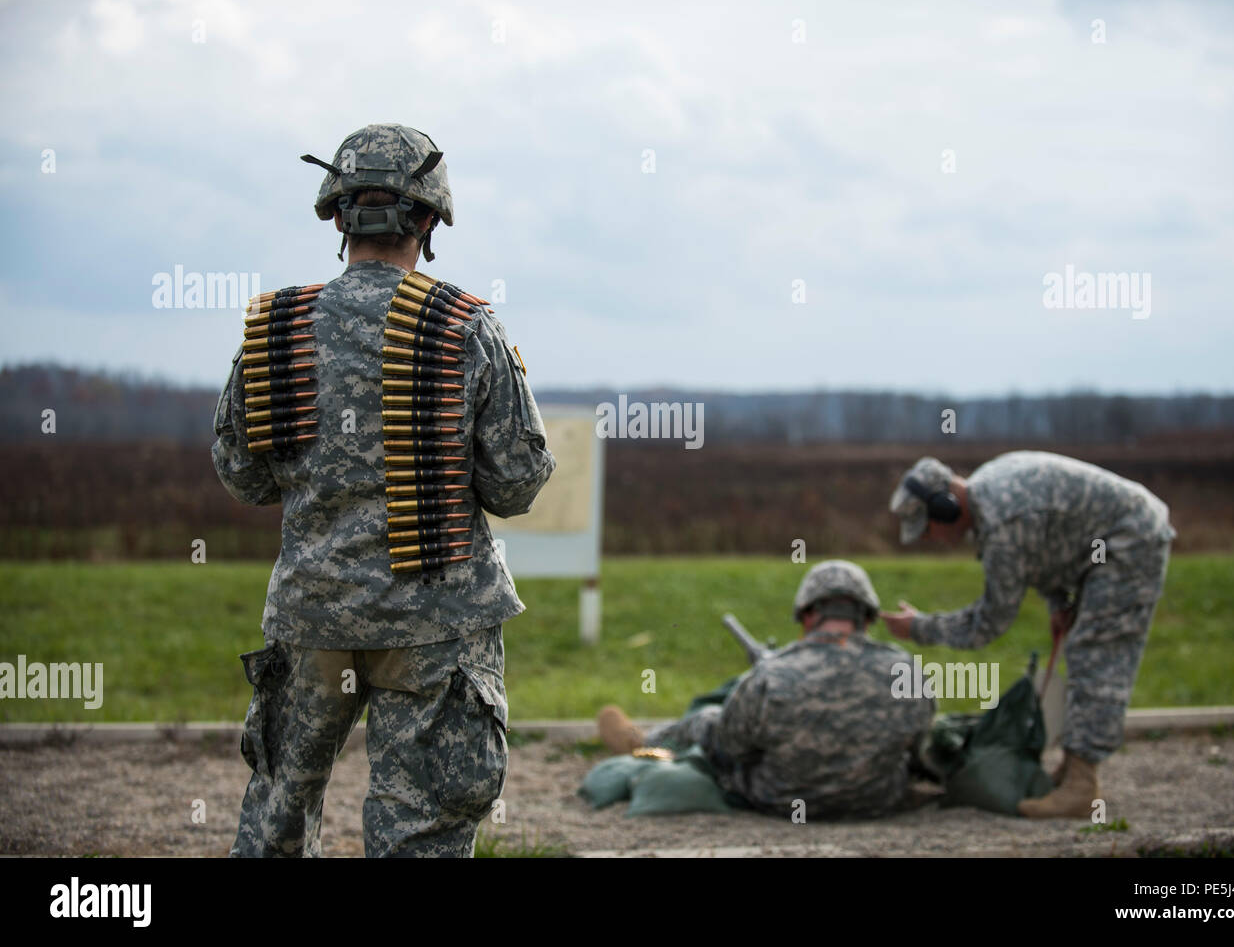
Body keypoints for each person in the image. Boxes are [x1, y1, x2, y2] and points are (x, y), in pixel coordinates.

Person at [212, 124, 555, 857]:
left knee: (277, 810)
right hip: (433, 622)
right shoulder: (465, 325)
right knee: (420, 825)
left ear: (337, 215)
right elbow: (516, 483)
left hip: (312, 616)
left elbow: (243, 476)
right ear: (428, 219)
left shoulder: (275, 327)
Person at [880, 452, 1175, 818]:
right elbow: (1050, 547)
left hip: (1130, 539)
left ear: (946, 507)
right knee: (1086, 646)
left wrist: (920, 628)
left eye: (929, 527)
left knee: (1097, 651)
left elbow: (989, 622)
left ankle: (1082, 786)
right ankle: (1073, 768)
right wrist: (1058, 603)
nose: (932, 538)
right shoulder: (991, 493)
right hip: (1107, 541)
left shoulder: (1003, 525)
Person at [598, 560, 935, 819]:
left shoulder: (771, 676)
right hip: (879, 803)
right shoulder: (906, 672)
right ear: (868, 617)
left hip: (778, 801)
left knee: (708, 719)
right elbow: (919, 744)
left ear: (807, 614)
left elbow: (731, 745)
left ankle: (647, 743)